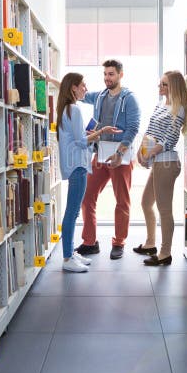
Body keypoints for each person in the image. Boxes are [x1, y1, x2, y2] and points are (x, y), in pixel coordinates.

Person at [48, 59, 140, 260]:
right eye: (105, 74)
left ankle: (119, 242)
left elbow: (133, 128)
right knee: (87, 196)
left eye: (111, 74)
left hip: (120, 155)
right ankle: (90, 242)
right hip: (100, 153)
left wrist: (119, 153)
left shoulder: (129, 98)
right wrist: (52, 80)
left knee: (121, 201)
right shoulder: (99, 97)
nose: (107, 78)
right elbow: (72, 91)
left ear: (120, 75)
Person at [56, 72, 122, 272]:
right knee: (72, 213)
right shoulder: (73, 110)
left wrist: (89, 133)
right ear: (73, 88)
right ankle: (67, 258)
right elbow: (81, 142)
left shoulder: (66, 109)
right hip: (78, 166)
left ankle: (70, 253)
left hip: (73, 164)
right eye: (83, 85)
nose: (85, 88)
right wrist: (101, 132)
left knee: (74, 212)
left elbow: (75, 137)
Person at [133, 71, 187, 266]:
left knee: (164, 210)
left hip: (167, 163)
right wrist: (141, 152)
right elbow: (149, 132)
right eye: (160, 84)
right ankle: (150, 243)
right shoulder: (159, 105)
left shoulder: (179, 108)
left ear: (173, 86)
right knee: (146, 202)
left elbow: (170, 139)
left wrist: (151, 153)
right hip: (157, 162)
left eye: (164, 84)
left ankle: (165, 253)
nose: (160, 88)